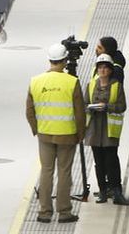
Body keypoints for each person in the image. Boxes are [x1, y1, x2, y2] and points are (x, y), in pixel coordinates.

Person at [26, 43, 87, 224]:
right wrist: (81, 133)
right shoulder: (72, 82)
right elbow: (79, 112)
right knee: (64, 172)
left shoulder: (35, 81)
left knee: (46, 171)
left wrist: (36, 129)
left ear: (50, 60)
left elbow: (29, 110)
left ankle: (44, 212)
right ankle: (64, 212)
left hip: (44, 134)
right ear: (65, 61)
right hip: (67, 135)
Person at [86, 54, 129, 205]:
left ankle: (116, 191)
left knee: (111, 160)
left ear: (110, 70)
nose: (102, 70)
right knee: (99, 162)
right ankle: (103, 192)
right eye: (100, 67)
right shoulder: (91, 85)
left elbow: (122, 106)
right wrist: (90, 108)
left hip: (110, 130)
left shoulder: (116, 86)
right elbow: (85, 104)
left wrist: (107, 107)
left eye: (105, 67)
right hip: (94, 129)